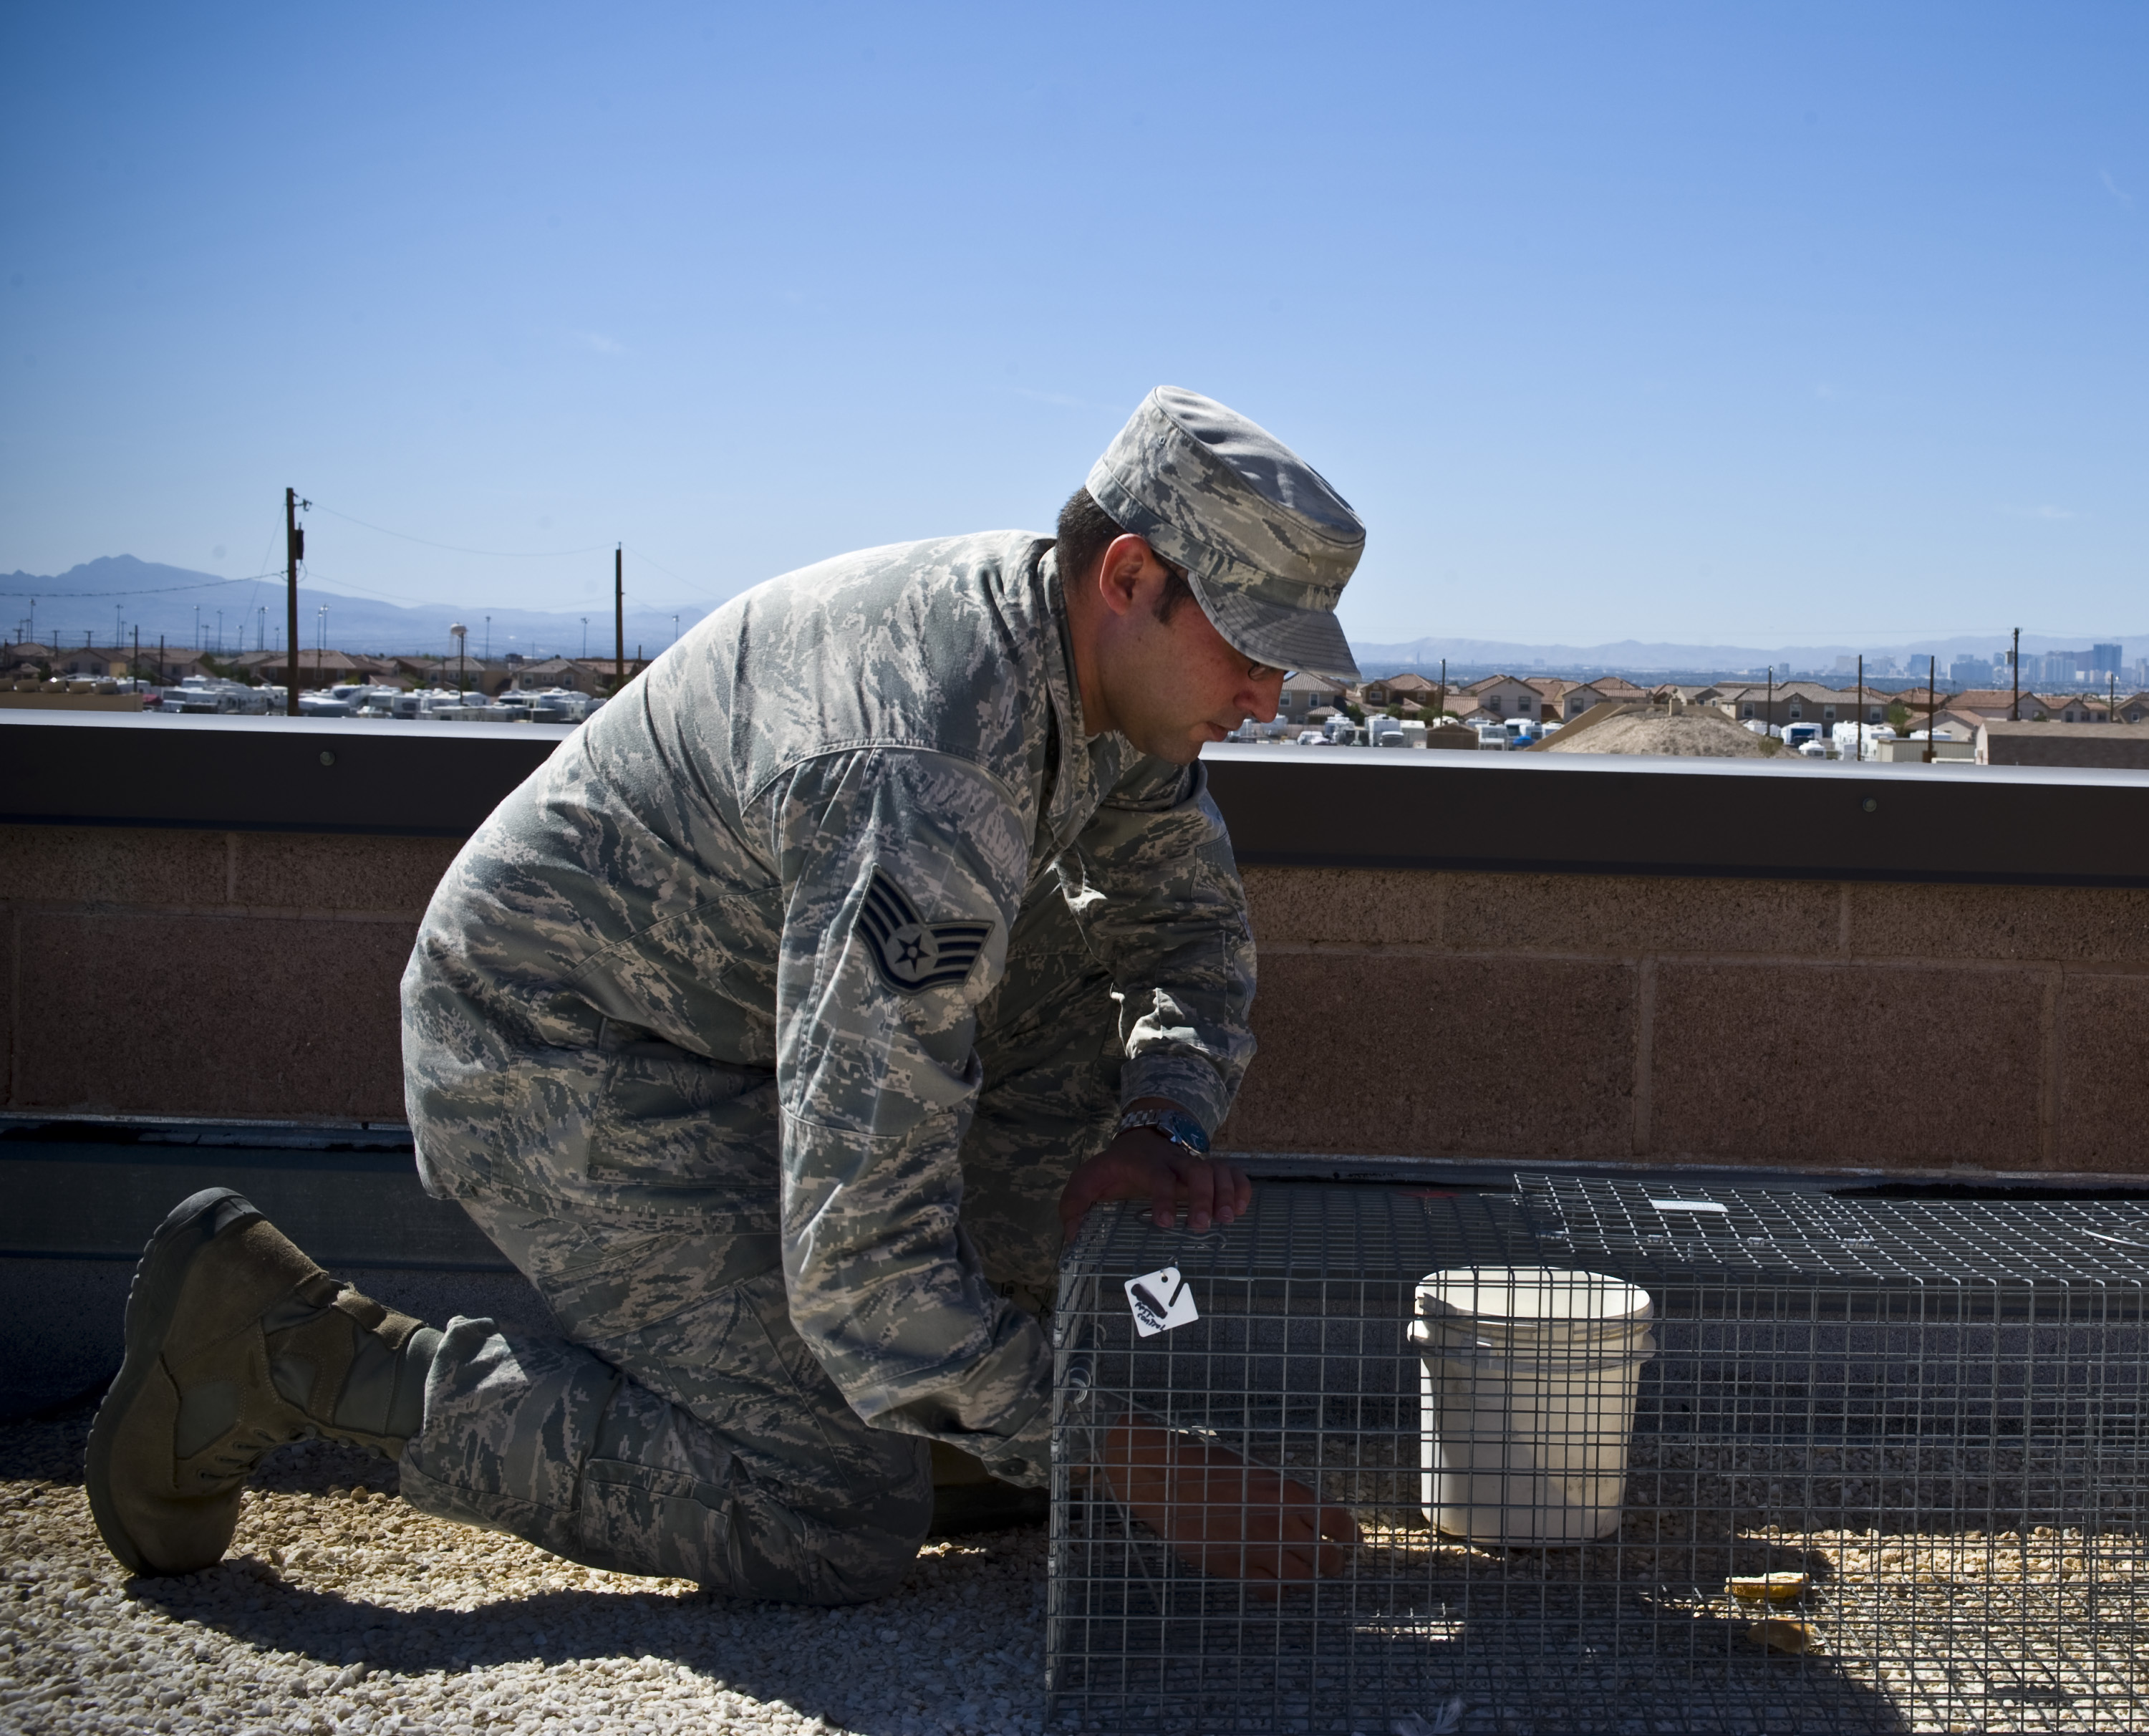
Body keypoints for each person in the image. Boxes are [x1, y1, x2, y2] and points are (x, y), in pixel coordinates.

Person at [87, 387, 1366, 1604]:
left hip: (745, 1022)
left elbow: (1184, 928)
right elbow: (862, 1265)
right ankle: (286, 1352)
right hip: (558, 1054)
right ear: (1129, 576)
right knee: (831, 1514)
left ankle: (964, 1421)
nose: (1269, 695)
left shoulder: (1103, 679)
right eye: (1251, 647)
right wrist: (1124, 1458)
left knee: (1085, 1030)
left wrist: (1164, 1123)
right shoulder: (923, 771)